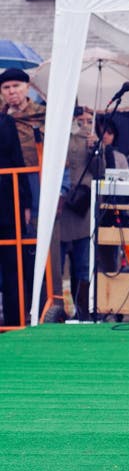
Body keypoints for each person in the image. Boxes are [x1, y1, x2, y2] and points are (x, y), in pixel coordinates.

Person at [60, 108, 103, 321]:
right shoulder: (51, 134)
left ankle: (84, 311)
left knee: (83, 264)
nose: (84, 123)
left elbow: (100, 171)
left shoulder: (89, 137)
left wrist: (96, 149)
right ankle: (55, 309)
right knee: (56, 265)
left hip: (82, 205)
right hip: (59, 206)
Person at [0, 112, 32, 326]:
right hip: (8, 201)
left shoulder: (6, 122)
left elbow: (17, 159)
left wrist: (26, 202)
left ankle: (15, 320)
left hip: (8, 204)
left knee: (13, 266)